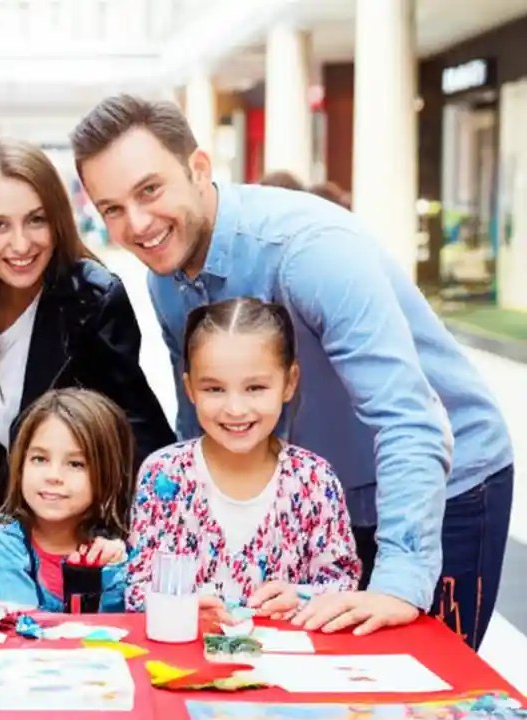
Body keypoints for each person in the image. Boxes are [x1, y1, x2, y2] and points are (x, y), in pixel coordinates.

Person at [71, 93, 513, 647]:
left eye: (150, 190)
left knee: (419, 686)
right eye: (112, 208)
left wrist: (399, 583)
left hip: (444, 483)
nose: (136, 223)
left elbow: (410, 418)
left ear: (199, 168)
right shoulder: (165, 277)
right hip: (322, 500)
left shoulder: (309, 252)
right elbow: (199, 422)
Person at [0, 137, 173, 520]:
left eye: (36, 220)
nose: (21, 243)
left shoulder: (92, 298)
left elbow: (136, 433)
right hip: (4, 532)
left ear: (57, 218)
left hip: (84, 532)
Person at [125, 298, 360, 622]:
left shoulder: (314, 480)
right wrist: (180, 606)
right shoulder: (164, 476)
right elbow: (137, 589)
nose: (235, 409)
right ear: (190, 388)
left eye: (255, 388)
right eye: (215, 389)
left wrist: (301, 596)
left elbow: (341, 583)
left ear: (289, 382)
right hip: (181, 664)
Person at [0, 388, 133, 613]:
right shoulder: (2, 544)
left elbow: (118, 634)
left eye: (75, 464)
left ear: (108, 475)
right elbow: (21, 629)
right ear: (20, 465)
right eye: (40, 459)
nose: (53, 476)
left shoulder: (121, 551)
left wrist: (110, 572)